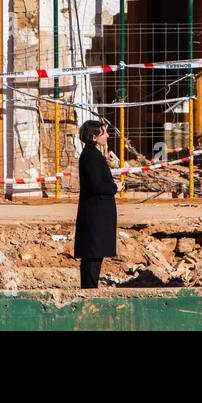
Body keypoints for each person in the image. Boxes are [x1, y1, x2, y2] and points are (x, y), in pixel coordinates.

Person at [73, 120, 122, 289]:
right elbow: (96, 186)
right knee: (93, 254)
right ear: (94, 136)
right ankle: (89, 289)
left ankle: (90, 287)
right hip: (96, 214)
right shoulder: (91, 156)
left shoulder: (91, 154)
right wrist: (115, 187)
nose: (107, 136)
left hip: (96, 212)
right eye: (104, 133)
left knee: (94, 255)